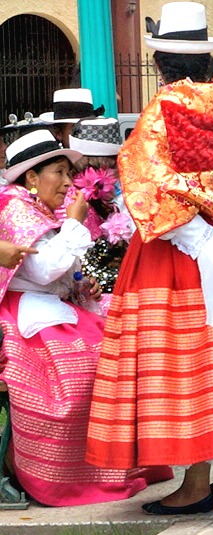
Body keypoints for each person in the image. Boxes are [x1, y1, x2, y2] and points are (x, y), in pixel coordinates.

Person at [86, 3, 213, 516]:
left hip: (176, 249)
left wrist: (193, 234)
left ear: (163, 61)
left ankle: (194, 482)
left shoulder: (163, 110)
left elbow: (145, 178)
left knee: (186, 363)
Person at [0, 130, 170, 506]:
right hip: (26, 313)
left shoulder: (36, 208)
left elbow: (59, 271)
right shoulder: (15, 206)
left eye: (67, 173)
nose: (66, 183)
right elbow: (43, 270)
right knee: (84, 369)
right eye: (59, 173)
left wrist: (82, 284)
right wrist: (75, 224)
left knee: (122, 346)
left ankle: (118, 465)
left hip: (49, 308)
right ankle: (66, 475)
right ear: (31, 177)